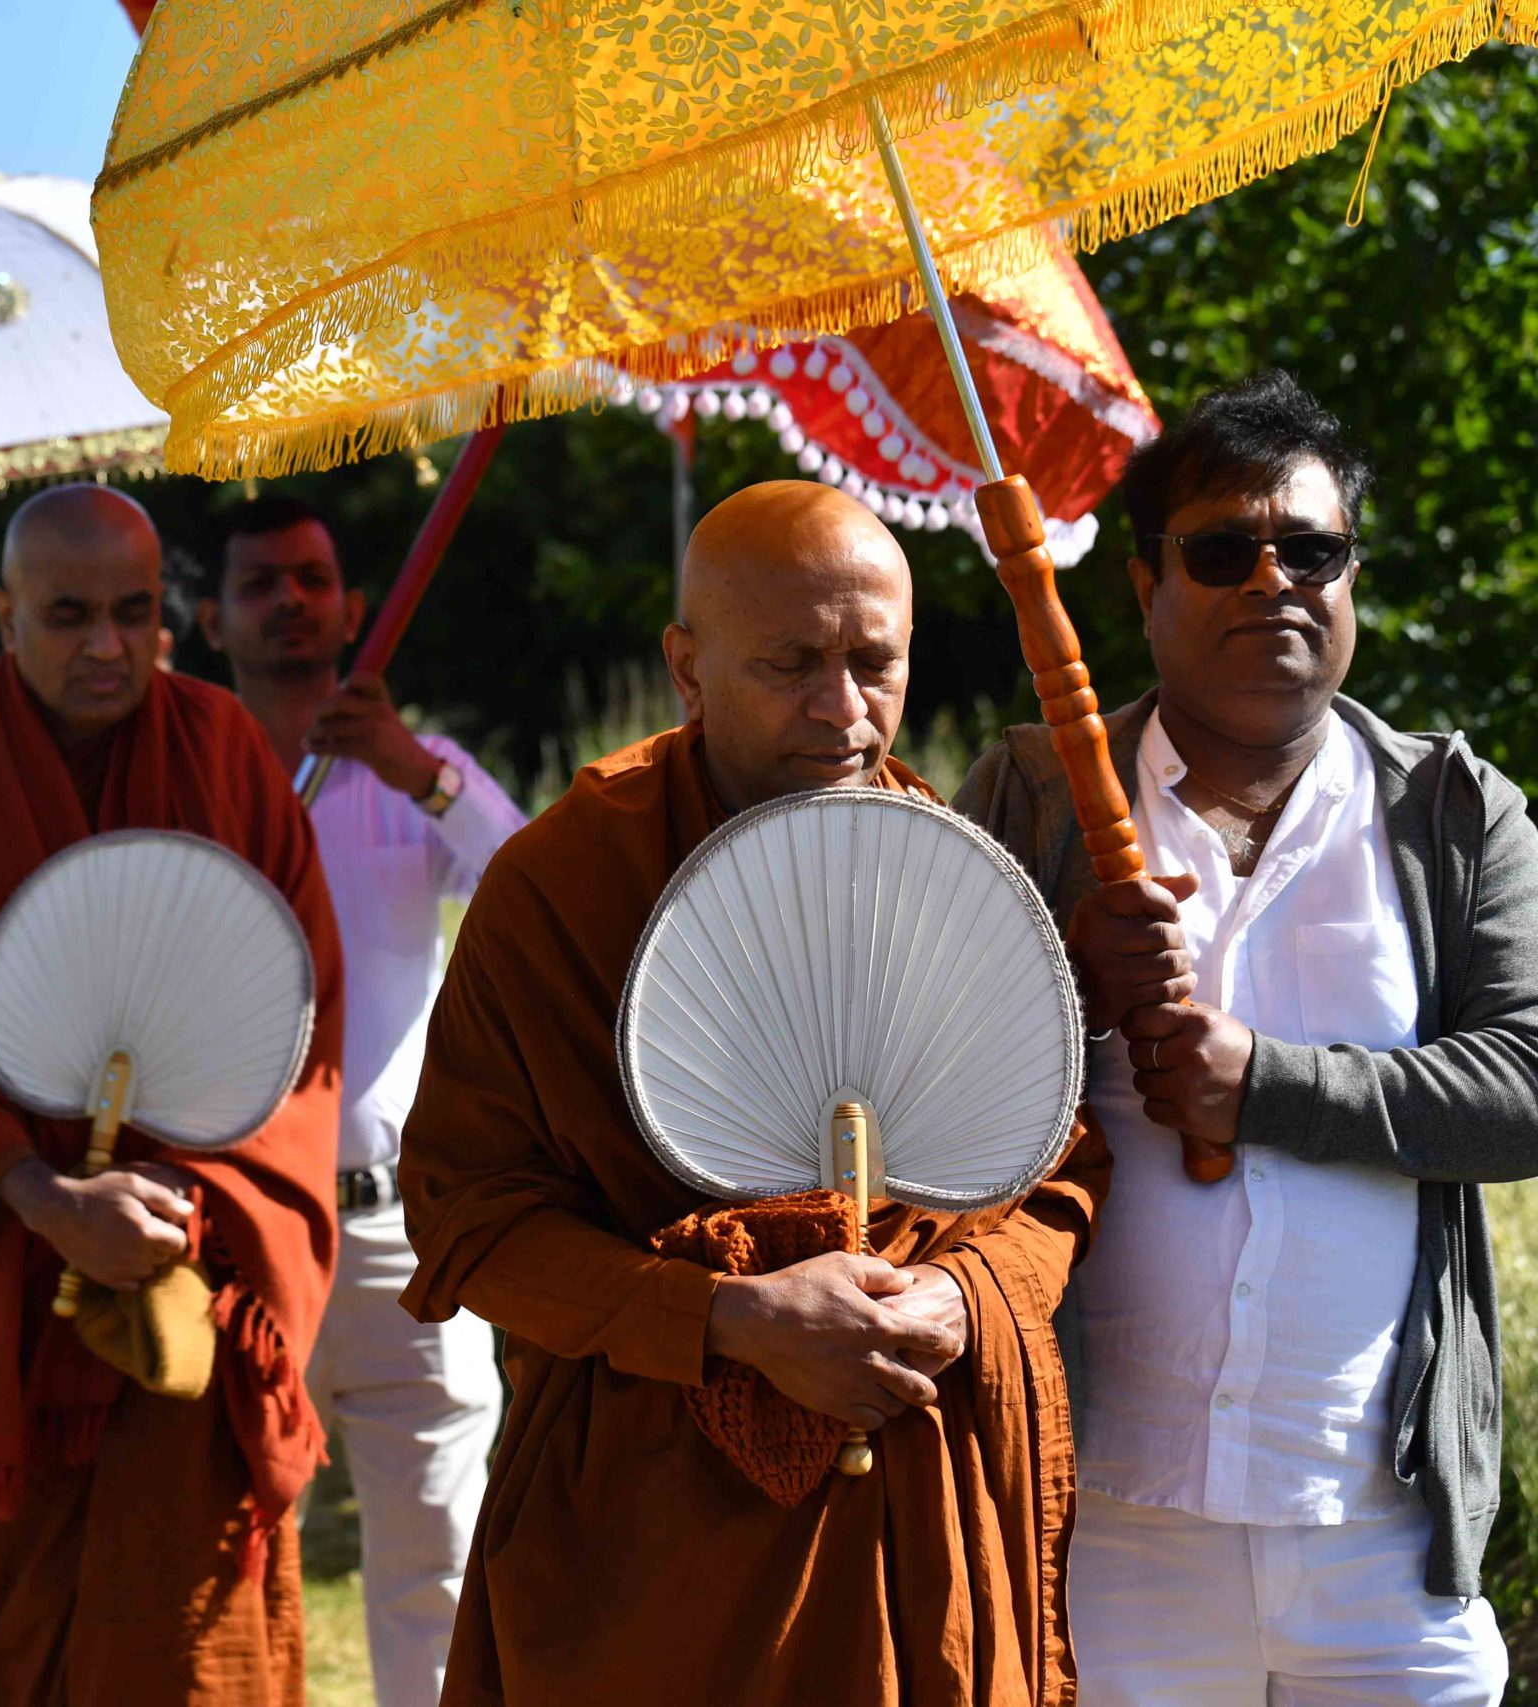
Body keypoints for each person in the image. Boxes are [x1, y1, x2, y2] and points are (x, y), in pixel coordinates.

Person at [401, 480, 1110, 1706]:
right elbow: (468, 1216)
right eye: (790, 663)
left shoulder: (932, 854)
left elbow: (1052, 1164)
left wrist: (958, 1296)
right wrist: (726, 1321)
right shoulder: (562, 884)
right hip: (655, 1533)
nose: (843, 712)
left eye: (872, 663)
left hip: (915, 1496)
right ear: (686, 665)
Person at [956, 370, 1531, 1703]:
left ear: (1353, 579)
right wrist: (1073, 986)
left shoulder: (1452, 809)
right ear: (1145, 588)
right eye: (1223, 550)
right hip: (1099, 1522)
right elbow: (913, 1091)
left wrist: (1263, 1086)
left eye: (1313, 549)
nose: (1274, 579)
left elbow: (1528, 1082)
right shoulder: (1032, 793)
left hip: (1384, 1533)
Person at [0, 484, 345, 1706]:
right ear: (5, 613)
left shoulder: (223, 753)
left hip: (190, 1268)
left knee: (182, 1634)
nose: (107, 645)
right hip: (13, 1278)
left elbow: (300, 1024)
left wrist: (184, 1186)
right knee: (8, 1635)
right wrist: (40, 1198)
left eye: (133, 611)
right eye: (68, 615)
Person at [197, 495, 519, 1707]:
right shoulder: (184, 769)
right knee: (215, 1555)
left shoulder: (410, 767)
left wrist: (418, 774)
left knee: (438, 1561)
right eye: (262, 583)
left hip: (395, 1232)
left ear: (348, 604)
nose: (291, 602)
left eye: (313, 579)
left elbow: (535, 885)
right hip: (227, 1228)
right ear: (213, 616)